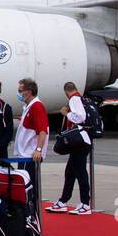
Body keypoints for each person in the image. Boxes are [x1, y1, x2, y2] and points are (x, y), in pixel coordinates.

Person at [48, 81, 94, 215]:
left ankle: (85, 203)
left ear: (66, 92)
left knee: (80, 172)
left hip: (80, 142)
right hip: (82, 141)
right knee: (70, 172)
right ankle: (63, 201)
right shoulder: (82, 98)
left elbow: (80, 117)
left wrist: (66, 113)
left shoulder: (74, 99)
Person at [15, 78, 49, 171]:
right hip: (24, 154)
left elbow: (42, 130)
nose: (18, 93)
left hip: (30, 156)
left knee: (29, 184)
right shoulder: (28, 107)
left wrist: (38, 150)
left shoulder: (37, 106)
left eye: (20, 91)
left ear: (29, 92)